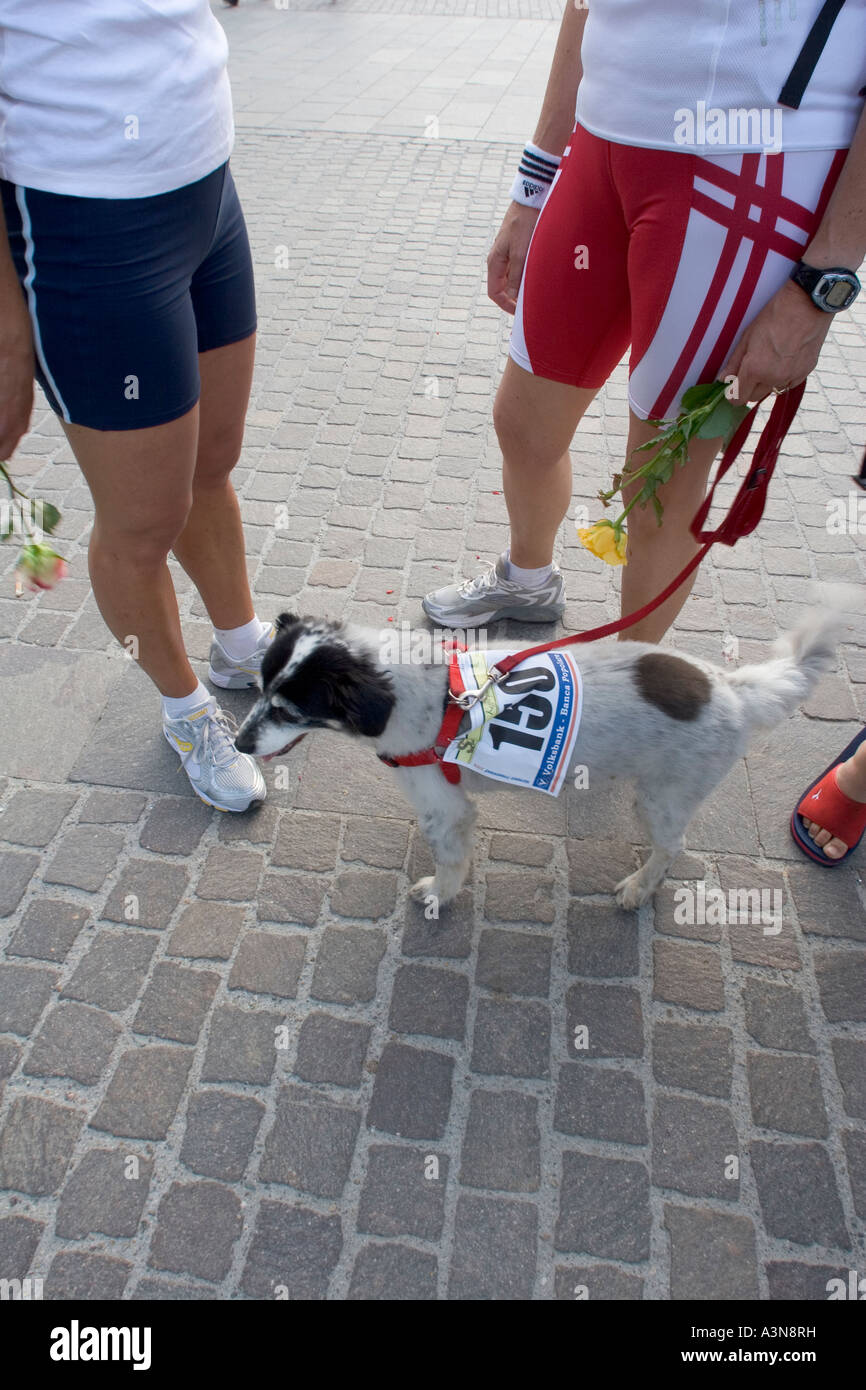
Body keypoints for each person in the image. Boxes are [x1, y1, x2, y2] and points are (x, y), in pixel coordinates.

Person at [423, 0, 865, 648]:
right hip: (600, 141)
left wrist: (823, 283)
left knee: (663, 478)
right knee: (523, 424)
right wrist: (532, 183)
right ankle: (528, 579)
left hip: (751, 162)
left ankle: (628, 704)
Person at [0, 0, 272, 812]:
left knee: (212, 461)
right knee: (142, 519)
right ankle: (185, 710)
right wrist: (11, 341)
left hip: (205, 186)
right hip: (84, 222)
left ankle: (238, 646)